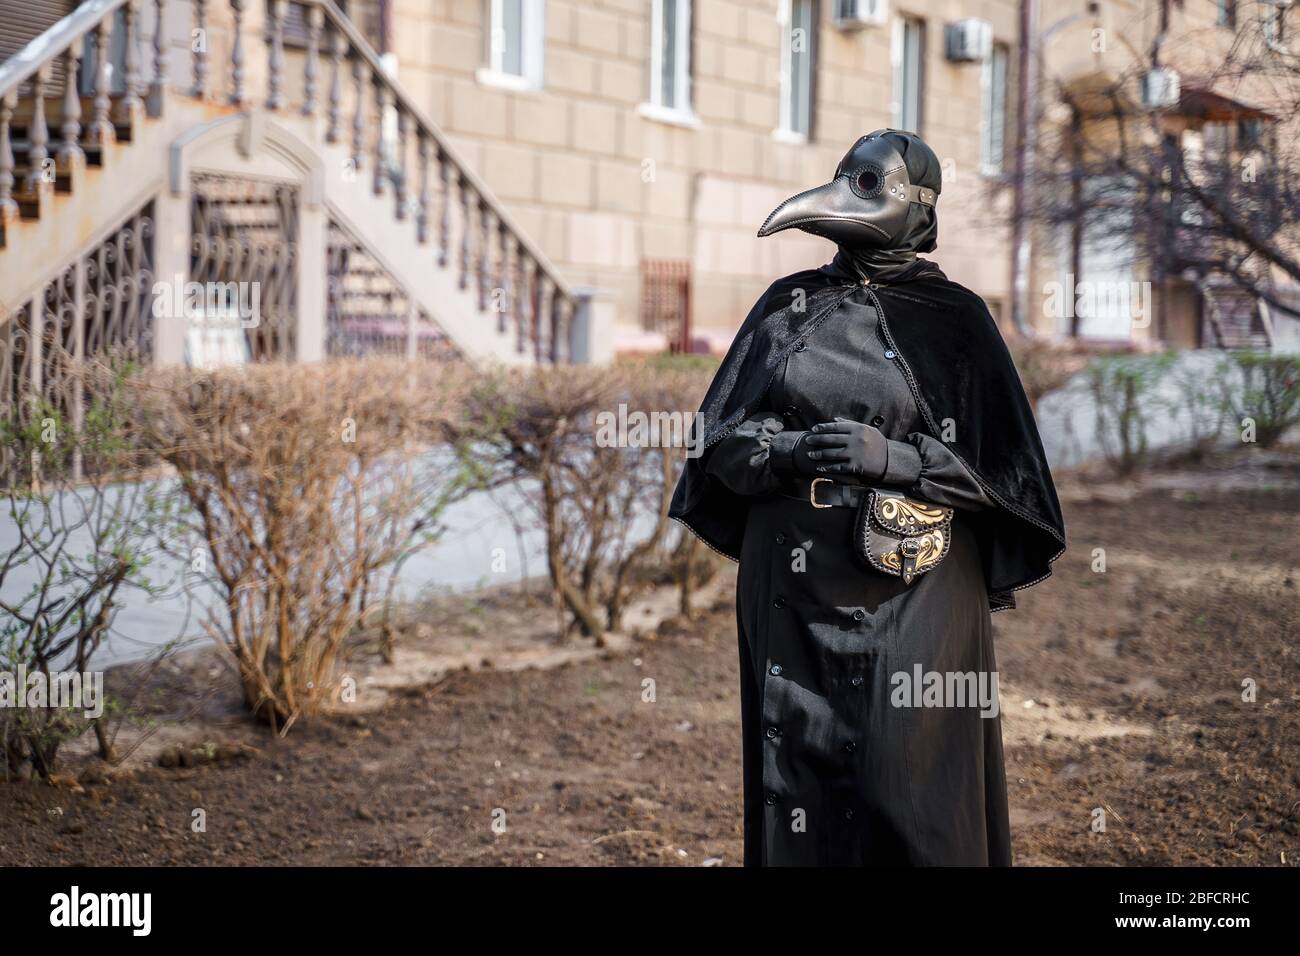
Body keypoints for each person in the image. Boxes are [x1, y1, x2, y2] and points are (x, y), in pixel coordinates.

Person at [669, 130, 1066, 866]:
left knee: (909, 787)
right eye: (843, 179)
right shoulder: (787, 307)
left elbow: (1008, 477)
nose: (846, 194)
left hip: (914, 597)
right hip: (790, 599)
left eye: (868, 183)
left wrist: (899, 459)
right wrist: (784, 452)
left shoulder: (958, 322)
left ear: (916, 206)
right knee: (800, 791)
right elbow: (714, 444)